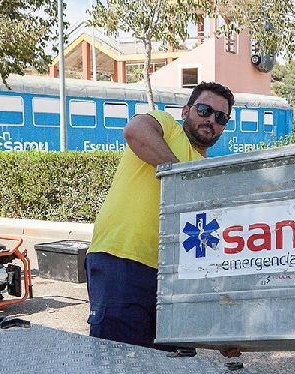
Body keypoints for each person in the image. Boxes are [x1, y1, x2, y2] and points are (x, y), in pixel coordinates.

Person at [86, 81, 240, 357]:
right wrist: (180, 176)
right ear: (185, 111)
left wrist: (222, 332)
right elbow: (134, 130)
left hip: (174, 283)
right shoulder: (166, 126)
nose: (211, 120)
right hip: (123, 261)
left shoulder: (209, 172)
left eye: (221, 117)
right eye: (204, 110)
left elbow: (209, 251)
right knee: (115, 367)